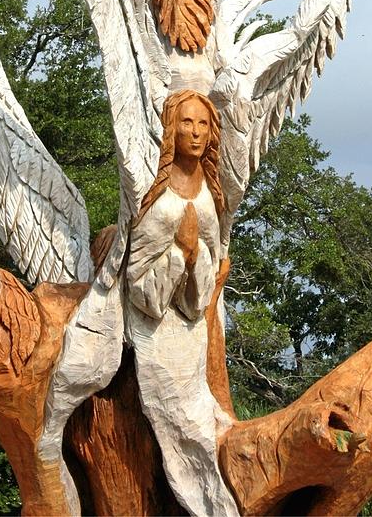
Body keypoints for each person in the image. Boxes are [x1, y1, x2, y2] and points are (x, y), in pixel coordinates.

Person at [126, 89, 239, 517]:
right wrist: (180, 256)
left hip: (194, 323)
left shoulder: (212, 189)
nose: (194, 132)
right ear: (170, 128)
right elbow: (136, 279)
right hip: (155, 331)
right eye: (186, 123)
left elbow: (214, 258)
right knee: (184, 430)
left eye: (203, 124)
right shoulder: (152, 194)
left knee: (206, 424)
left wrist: (200, 263)